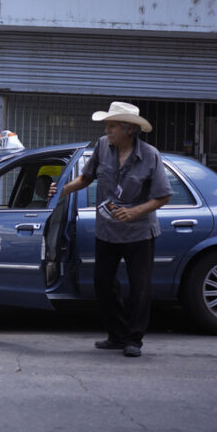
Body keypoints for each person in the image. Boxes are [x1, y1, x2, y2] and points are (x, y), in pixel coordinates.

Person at [50, 102, 172, 357]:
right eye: (107, 125)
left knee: (140, 287)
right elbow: (86, 178)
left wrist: (134, 211)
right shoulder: (103, 147)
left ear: (128, 129)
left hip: (139, 231)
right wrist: (63, 190)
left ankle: (134, 340)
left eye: (112, 125)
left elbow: (163, 197)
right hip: (107, 229)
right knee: (103, 282)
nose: (107, 130)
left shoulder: (150, 155)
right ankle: (116, 335)